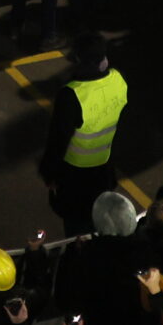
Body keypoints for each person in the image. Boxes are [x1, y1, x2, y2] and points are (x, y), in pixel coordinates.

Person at [40, 34, 129, 235]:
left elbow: (58, 140)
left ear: (78, 58)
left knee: (76, 229)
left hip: (75, 176)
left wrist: (49, 173)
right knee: (100, 221)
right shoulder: (118, 79)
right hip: (104, 168)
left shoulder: (72, 94)